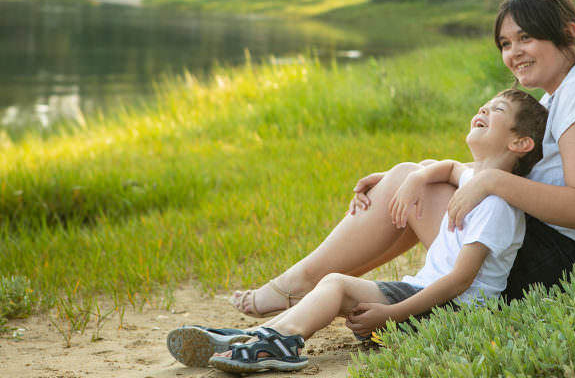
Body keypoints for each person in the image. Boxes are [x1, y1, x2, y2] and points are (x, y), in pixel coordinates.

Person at [230, 0, 575, 316]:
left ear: (568, 31)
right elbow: (512, 176)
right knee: (413, 175)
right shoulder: (562, 93)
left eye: (526, 38)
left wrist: (491, 182)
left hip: (571, 268)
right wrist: (414, 175)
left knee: (419, 184)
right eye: (504, 43)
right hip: (567, 256)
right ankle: (311, 287)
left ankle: (300, 286)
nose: (513, 53)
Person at [168, 88, 548, 372]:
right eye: (485, 104)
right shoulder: (476, 180)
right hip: (426, 299)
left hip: (451, 311)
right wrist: (416, 177)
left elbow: (459, 282)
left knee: (336, 284)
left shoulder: (496, 205)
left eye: (496, 110)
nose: (483, 109)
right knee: (334, 287)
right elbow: (450, 168)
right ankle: (257, 338)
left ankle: (278, 342)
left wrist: (394, 314)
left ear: (520, 142)